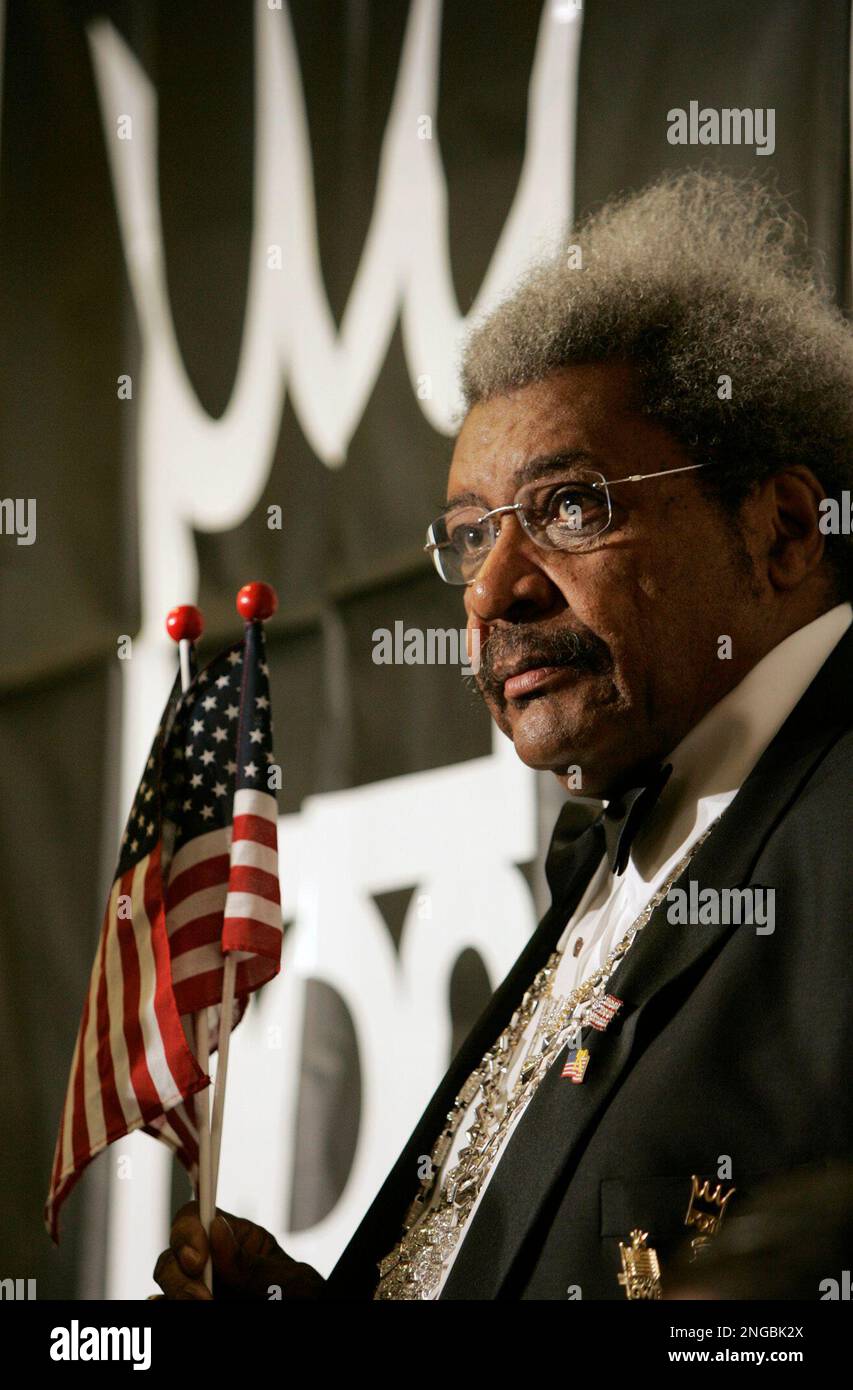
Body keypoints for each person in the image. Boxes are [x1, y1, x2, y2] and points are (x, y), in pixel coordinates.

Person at [154, 171, 853, 1300]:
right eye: (469, 538)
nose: (491, 594)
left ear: (781, 528)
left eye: (571, 507)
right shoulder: (620, 843)